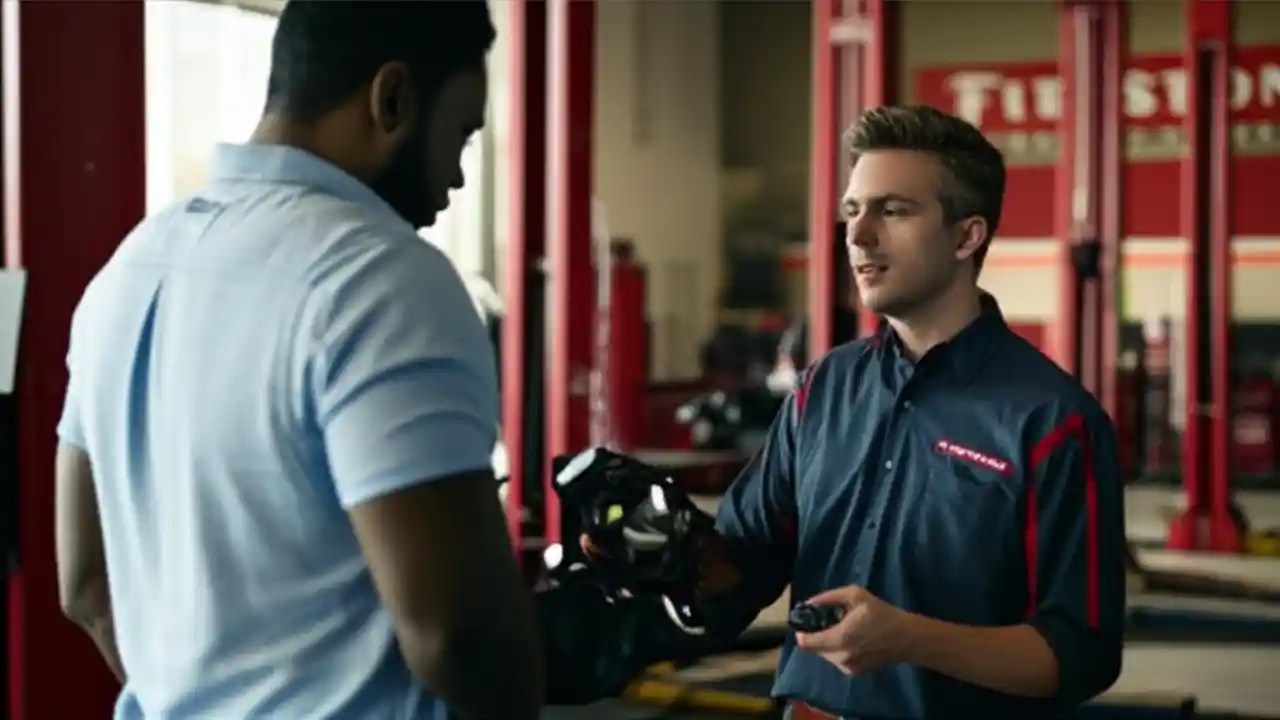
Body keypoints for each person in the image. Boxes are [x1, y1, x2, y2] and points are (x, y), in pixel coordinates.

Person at [53, 2, 543, 719]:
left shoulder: (127, 271)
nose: (458, 180)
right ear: (393, 99)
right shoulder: (380, 278)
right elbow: (456, 634)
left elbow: (85, 585)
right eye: (461, 136)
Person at [581, 105, 1127, 719]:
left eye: (892, 211)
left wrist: (911, 639)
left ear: (966, 236)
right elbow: (747, 564)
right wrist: (670, 553)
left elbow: (1082, 651)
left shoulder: (1052, 422)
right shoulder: (824, 389)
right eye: (852, 211)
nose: (858, 235)